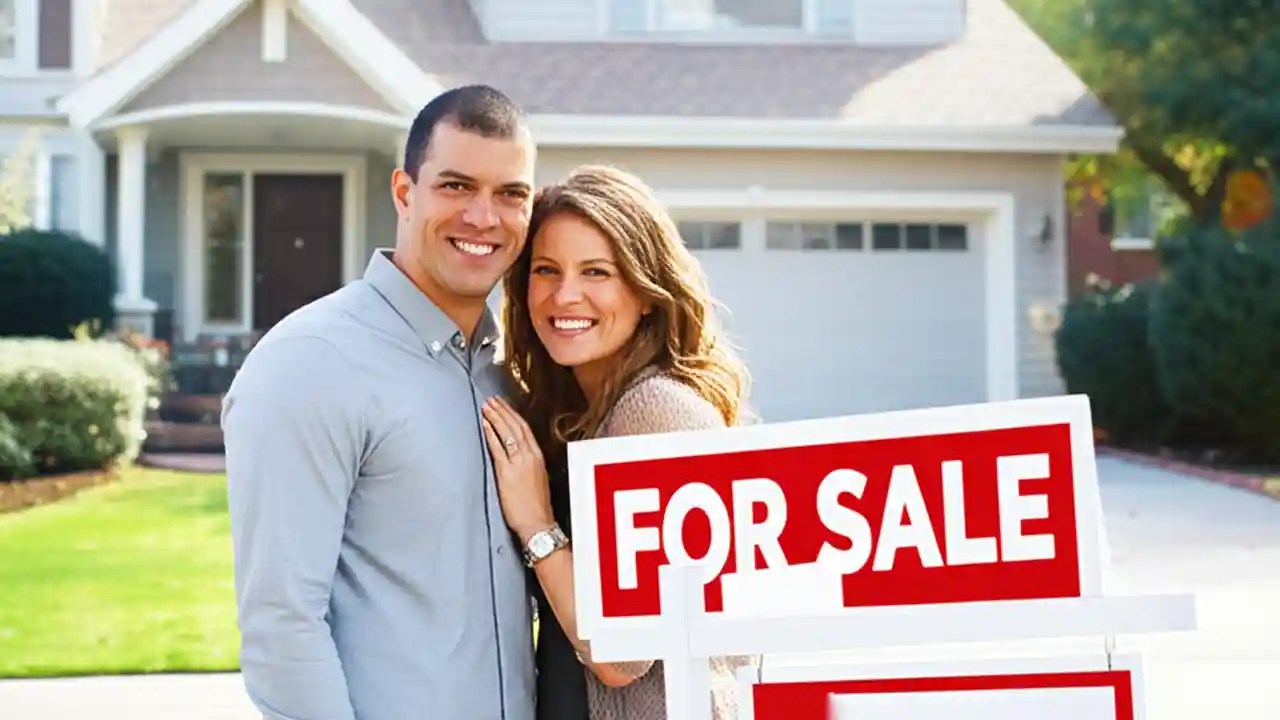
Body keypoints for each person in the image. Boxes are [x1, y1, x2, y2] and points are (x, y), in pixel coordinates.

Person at [221, 85, 539, 720]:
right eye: (455, 186)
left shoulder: (511, 372)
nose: (484, 217)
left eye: (511, 194)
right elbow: (282, 624)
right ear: (403, 192)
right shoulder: (311, 362)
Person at [476, 164, 756, 720]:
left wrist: (536, 523)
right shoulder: (575, 412)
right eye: (547, 270)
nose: (565, 295)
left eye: (597, 272)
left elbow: (620, 655)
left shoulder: (656, 409)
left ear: (647, 292)